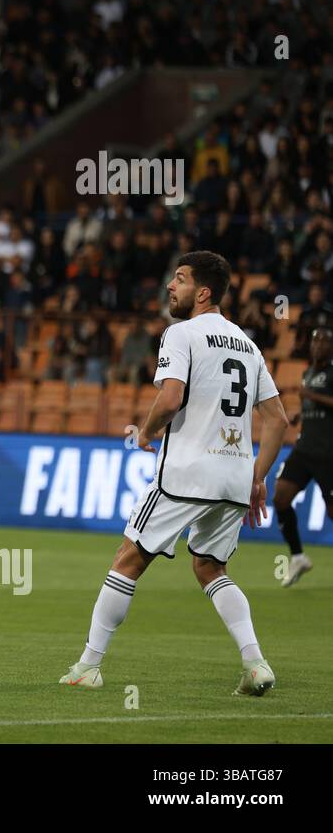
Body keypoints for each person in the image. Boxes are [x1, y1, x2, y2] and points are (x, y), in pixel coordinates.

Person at [60, 251, 287, 697]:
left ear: (202, 293)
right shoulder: (248, 344)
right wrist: (258, 477)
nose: (171, 286)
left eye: (180, 280)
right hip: (234, 476)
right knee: (209, 566)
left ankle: (88, 666)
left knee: (128, 558)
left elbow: (169, 399)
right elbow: (277, 420)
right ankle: (255, 662)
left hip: (186, 472)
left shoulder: (180, 333)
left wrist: (145, 433)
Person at [272, 326, 333, 587]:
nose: (317, 345)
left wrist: (312, 397)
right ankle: (298, 557)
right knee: (280, 498)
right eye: (315, 341)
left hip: (328, 452)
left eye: (323, 342)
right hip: (305, 449)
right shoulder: (308, 372)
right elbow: (313, 408)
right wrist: (301, 415)